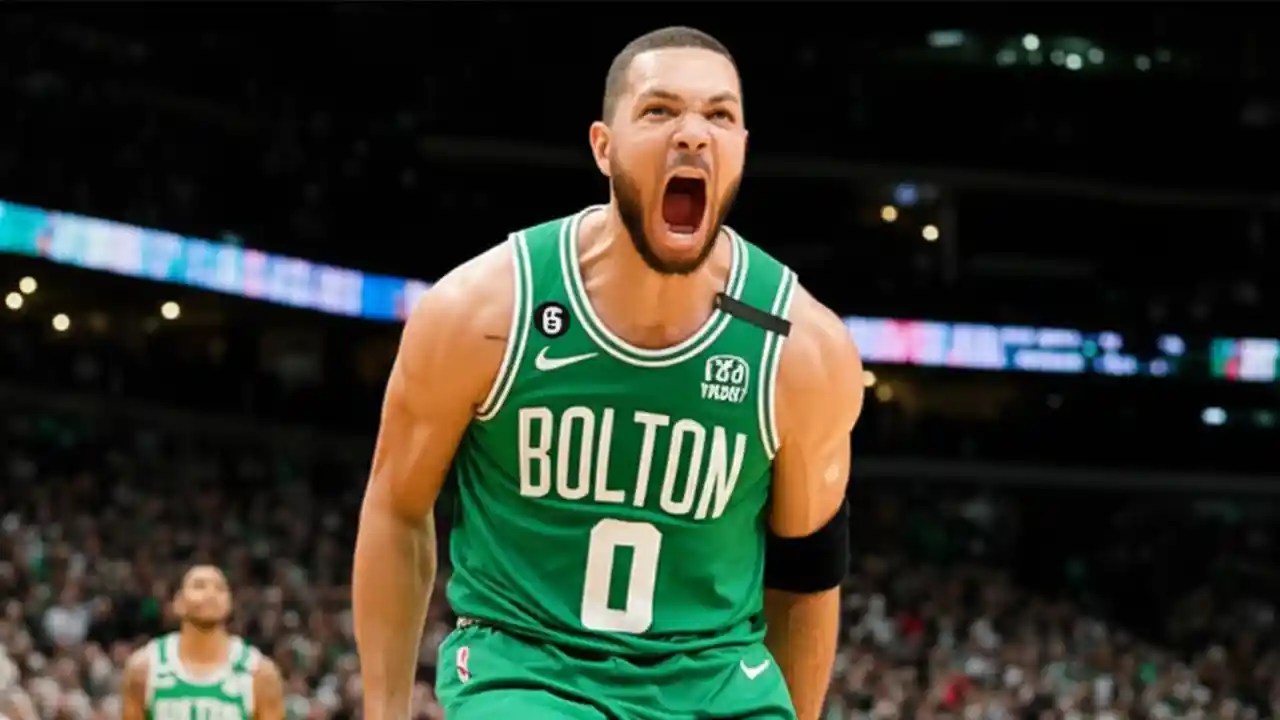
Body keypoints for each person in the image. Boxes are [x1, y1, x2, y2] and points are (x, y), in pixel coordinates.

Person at [353, 25, 864, 720]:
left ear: (743, 148)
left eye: (720, 115)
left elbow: (806, 578)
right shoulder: (483, 310)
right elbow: (396, 505)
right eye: (659, 111)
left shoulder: (803, 349)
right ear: (603, 145)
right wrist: (382, 711)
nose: (693, 134)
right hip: (526, 674)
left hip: (718, 687)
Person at [121, 565, 285, 720]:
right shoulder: (144, 668)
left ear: (230, 604)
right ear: (178, 603)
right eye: (199, 586)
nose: (210, 593)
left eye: (220, 588)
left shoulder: (259, 673)